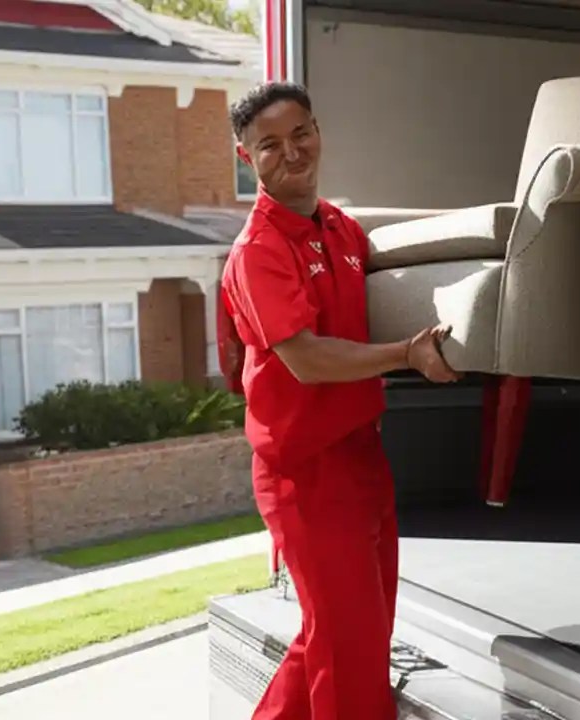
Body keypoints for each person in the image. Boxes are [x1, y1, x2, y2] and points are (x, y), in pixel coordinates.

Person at [220, 81, 461, 720]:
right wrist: (407, 354)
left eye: (301, 133)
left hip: (360, 454)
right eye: (270, 145)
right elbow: (308, 359)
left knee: (350, 633)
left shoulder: (341, 228)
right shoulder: (259, 251)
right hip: (305, 473)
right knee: (347, 649)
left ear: (318, 131)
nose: (292, 152)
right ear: (248, 159)